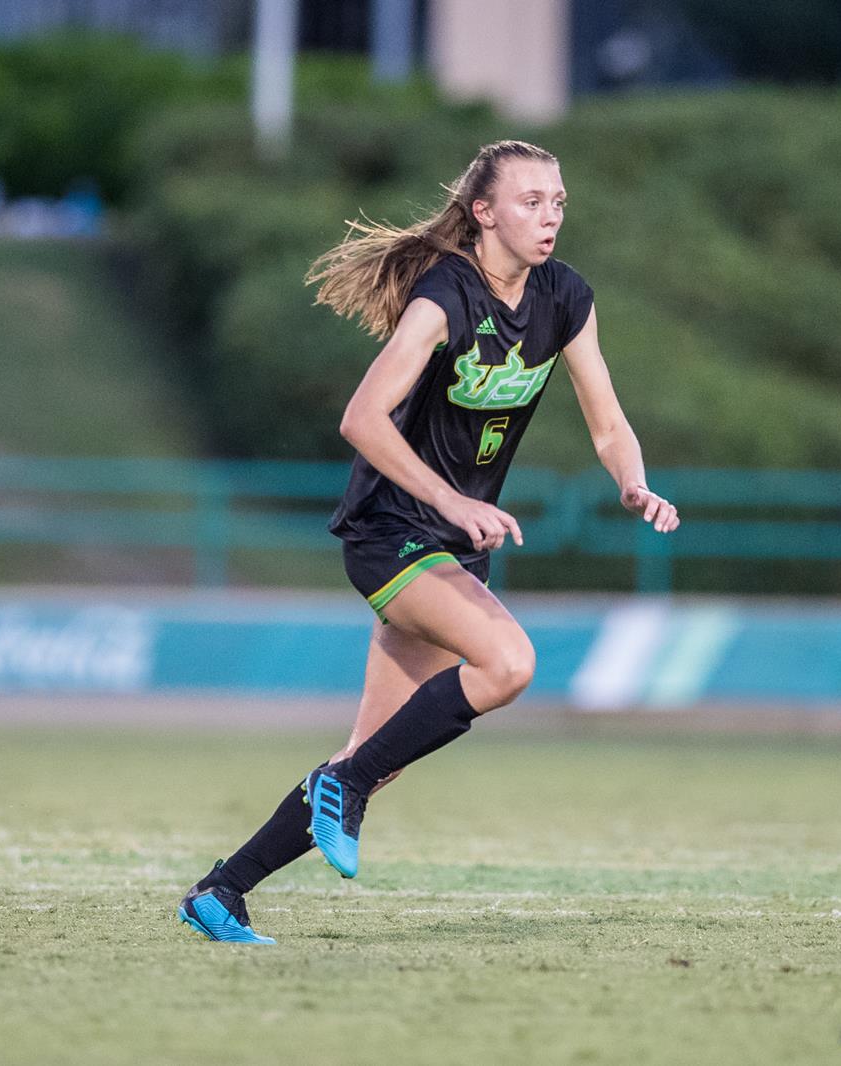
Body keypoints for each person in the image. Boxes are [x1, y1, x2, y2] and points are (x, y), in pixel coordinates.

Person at [178, 140, 680, 944]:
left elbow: (609, 422)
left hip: (452, 545)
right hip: (391, 530)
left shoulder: (565, 296)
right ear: (484, 213)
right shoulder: (445, 294)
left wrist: (633, 481)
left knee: (372, 757)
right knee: (508, 664)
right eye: (530, 202)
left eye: (557, 201)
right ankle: (342, 789)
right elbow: (361, 418)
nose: (549, 216)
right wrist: (449, 498)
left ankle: (222, 891)